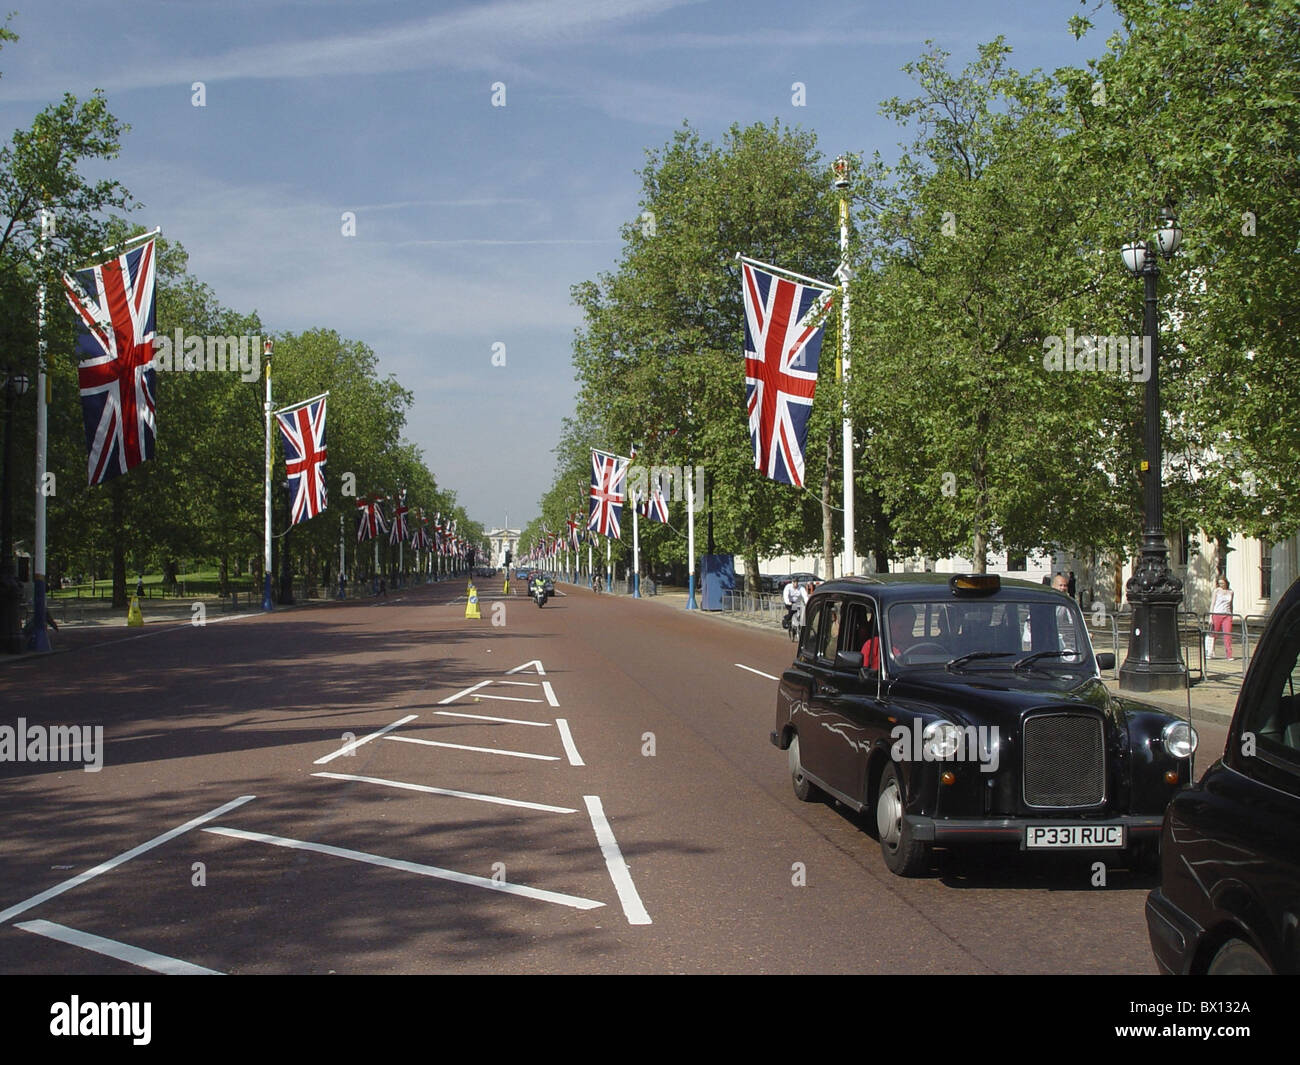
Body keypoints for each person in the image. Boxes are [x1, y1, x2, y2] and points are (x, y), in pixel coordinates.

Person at [1209, 576, 1234, 660]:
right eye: (1219, 583)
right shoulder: (1216, 591)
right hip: (1216, 614)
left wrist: (1232, 614)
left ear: (1226, 582)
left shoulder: (1231, 592)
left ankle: (1229, 654)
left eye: (1222, 583)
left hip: (1227, 615)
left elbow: (1231, 605)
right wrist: (1210, 616)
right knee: (1214, 634)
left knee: (1227, 634)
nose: (1221, 585)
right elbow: (1212, 603)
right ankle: (1211, 651)